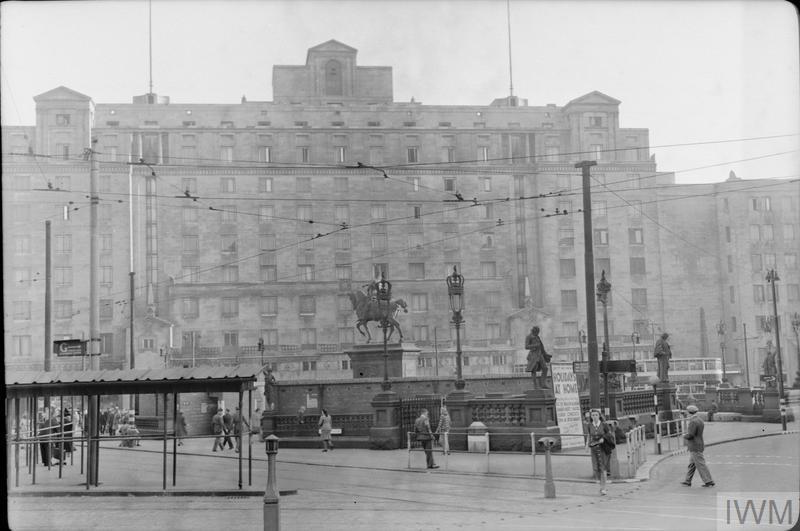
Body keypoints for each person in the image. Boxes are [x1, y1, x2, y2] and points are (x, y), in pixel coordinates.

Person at [680, 405, 715, 488]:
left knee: (701, 464)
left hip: (694, 446)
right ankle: (687, 481)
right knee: (692, 465)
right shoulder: (700, 420)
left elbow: (691, 435)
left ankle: (709, 481)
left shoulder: (693, 421)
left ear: (689, 412)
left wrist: (684, 435)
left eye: (687, 412)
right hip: (699, 444)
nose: (686, 414)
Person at [585, 409, 612, 496]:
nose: (595, 417)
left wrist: (603, 438)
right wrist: (587, 445)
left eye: (596, 415)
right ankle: (601, 485)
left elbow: (609, 434)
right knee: (596, 468)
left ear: (599, 415)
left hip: (603, 448)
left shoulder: (604, 424)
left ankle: (603, 488)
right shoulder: (589, 425)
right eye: (593, 415)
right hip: (594, 449)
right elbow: (589, 435)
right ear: (591, 416)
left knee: (603, 468)